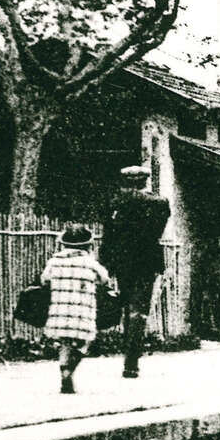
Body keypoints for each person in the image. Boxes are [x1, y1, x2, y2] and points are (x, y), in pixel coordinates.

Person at [100, 165, 170, 379]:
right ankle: (131, 362)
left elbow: (108, 234)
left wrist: (106, 262)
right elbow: (158, 230)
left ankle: (128, 352)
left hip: (122, 260)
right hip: (147, 260)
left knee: (126, 302)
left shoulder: (115, 202)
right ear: (144, 181)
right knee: (139, 308)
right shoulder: (159, 203)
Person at [41, 225, 110, 394]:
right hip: (82, 312)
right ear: (88, 245)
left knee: (64, 343)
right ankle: (70, 370)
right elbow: (104, 279)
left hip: (59, 311)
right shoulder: (89, 263)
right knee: (84, 342)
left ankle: (64, 370)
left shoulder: (54, 261)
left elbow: (44, 280)